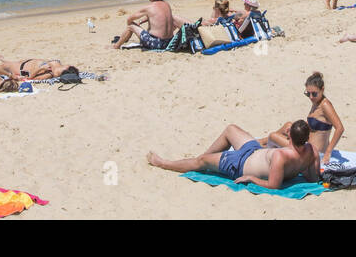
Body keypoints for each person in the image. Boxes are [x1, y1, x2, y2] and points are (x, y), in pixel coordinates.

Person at [148, 121, 319, 189]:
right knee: (231, 129)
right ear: (306, 138)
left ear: (290, 136)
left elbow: (274, 185)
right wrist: (301, 168)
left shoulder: (282, 156)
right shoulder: (312, 151)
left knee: (201, 162)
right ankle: (206, 159)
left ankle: (162, 163)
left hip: (239, 164)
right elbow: (313, 179)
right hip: (254, 151)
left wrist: (251, 179)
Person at [268, 72, 345, 170]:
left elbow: (340, 128)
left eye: (314, 93)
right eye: (308, 94)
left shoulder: (325, 105)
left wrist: (328, 152)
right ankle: (262, 141)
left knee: (273, 136)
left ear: (322, 90)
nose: (311, 97)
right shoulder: (316, 102)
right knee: (288, 125)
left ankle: (263, 148)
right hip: (307, 144)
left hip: (313, 152)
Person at [113, 0, 183, 50]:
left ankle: (116, 46)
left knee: (130, 26)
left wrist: (132, 29)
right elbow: (156, 16)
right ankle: (126, 38)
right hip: (169, 42)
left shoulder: (149, 8)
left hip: (157, 44)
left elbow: (129, 19)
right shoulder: (166, 5)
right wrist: (141, 22)